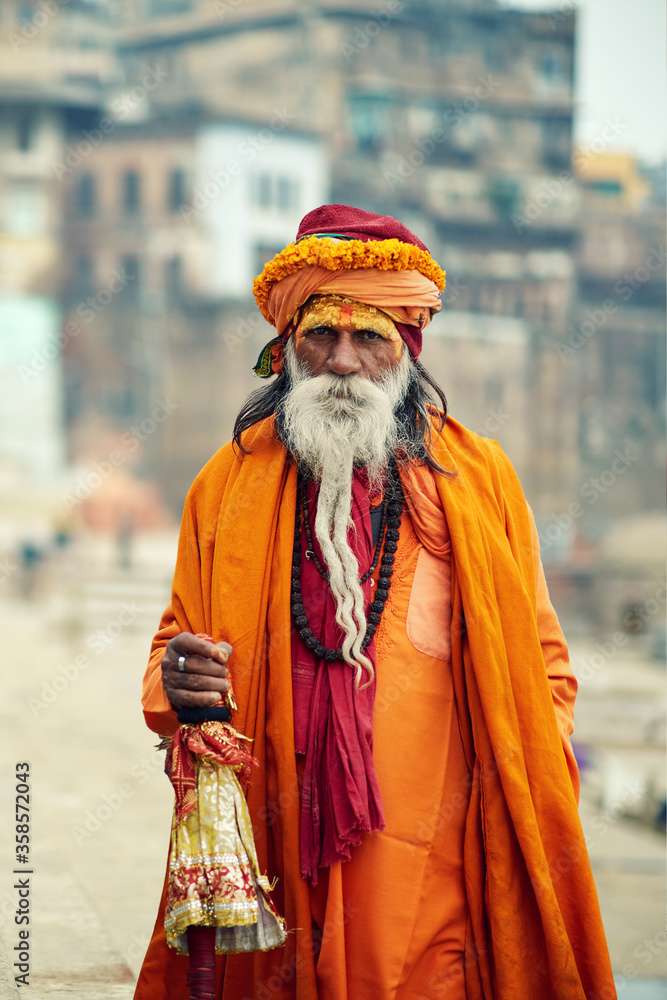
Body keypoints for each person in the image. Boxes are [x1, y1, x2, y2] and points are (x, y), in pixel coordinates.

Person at [135, 205, 617, 1000]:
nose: (343, 362)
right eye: (320, 335)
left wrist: (514, 777)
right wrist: (179, 683)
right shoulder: (225, 485)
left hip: (436, 873)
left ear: (407, 349)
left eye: (370, 338)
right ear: (286, 347)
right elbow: (170, 654)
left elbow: (544, 671)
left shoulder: (479, 482)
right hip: (275, 853)